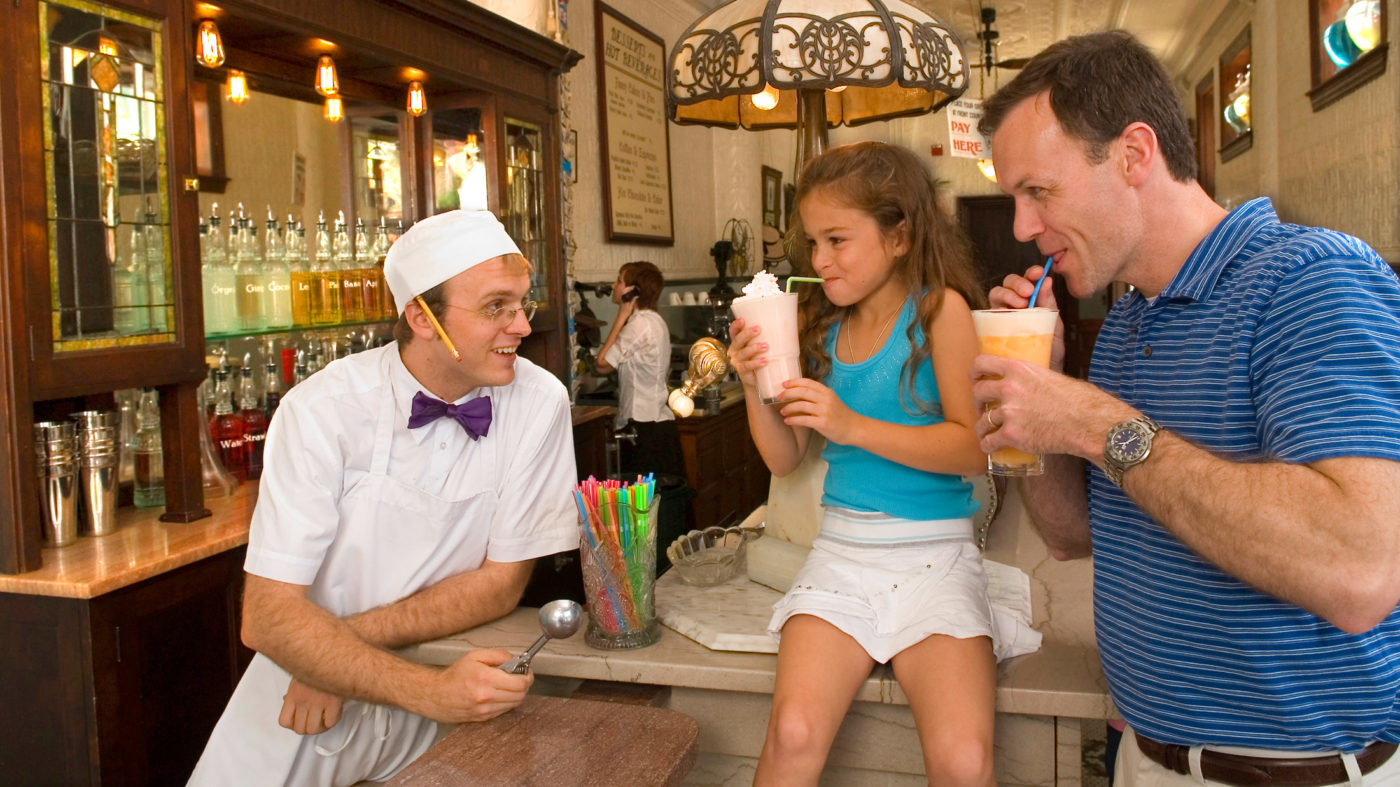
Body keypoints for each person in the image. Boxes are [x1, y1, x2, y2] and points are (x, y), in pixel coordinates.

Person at [970, 30, 1400, 786]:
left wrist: (1091, 421)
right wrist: (1041, 408)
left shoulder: (1310, 279)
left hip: (1296, 771)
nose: (1021, 228)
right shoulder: (1129, 319)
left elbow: (1360, 567)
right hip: (1145, 755)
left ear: (1135, 154)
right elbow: (1073, 535)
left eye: (1038, 191)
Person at [189, 210, 579, 786]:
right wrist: (427, 692)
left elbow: (501, 584)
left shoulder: (539, 400)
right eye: (496, 307)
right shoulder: (322, 408)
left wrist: (334, 655)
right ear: (423, 318)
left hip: (439, 686)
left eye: (522, 303)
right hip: (299, 705)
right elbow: (268, 620)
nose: (521, 326)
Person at [728, 141, 1021, 786]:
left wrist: (851, 425)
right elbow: (784, 459)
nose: (820, 259)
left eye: (837, 239)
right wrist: (754, 385)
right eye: (812, 243)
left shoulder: (939, 311)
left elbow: (976, 449)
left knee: (963, 761)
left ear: (898, 236)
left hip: (935, 559)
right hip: (841, 556)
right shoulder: (818, 327)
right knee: (793, 732)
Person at [593, 261, 684, 478]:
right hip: (655, 425)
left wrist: (621, 315)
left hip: (644, 429)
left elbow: (602, 364)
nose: (614, 286)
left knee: (643, 505)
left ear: (633, 292)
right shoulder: (654, 320)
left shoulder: (639, 324)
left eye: (619, 281)